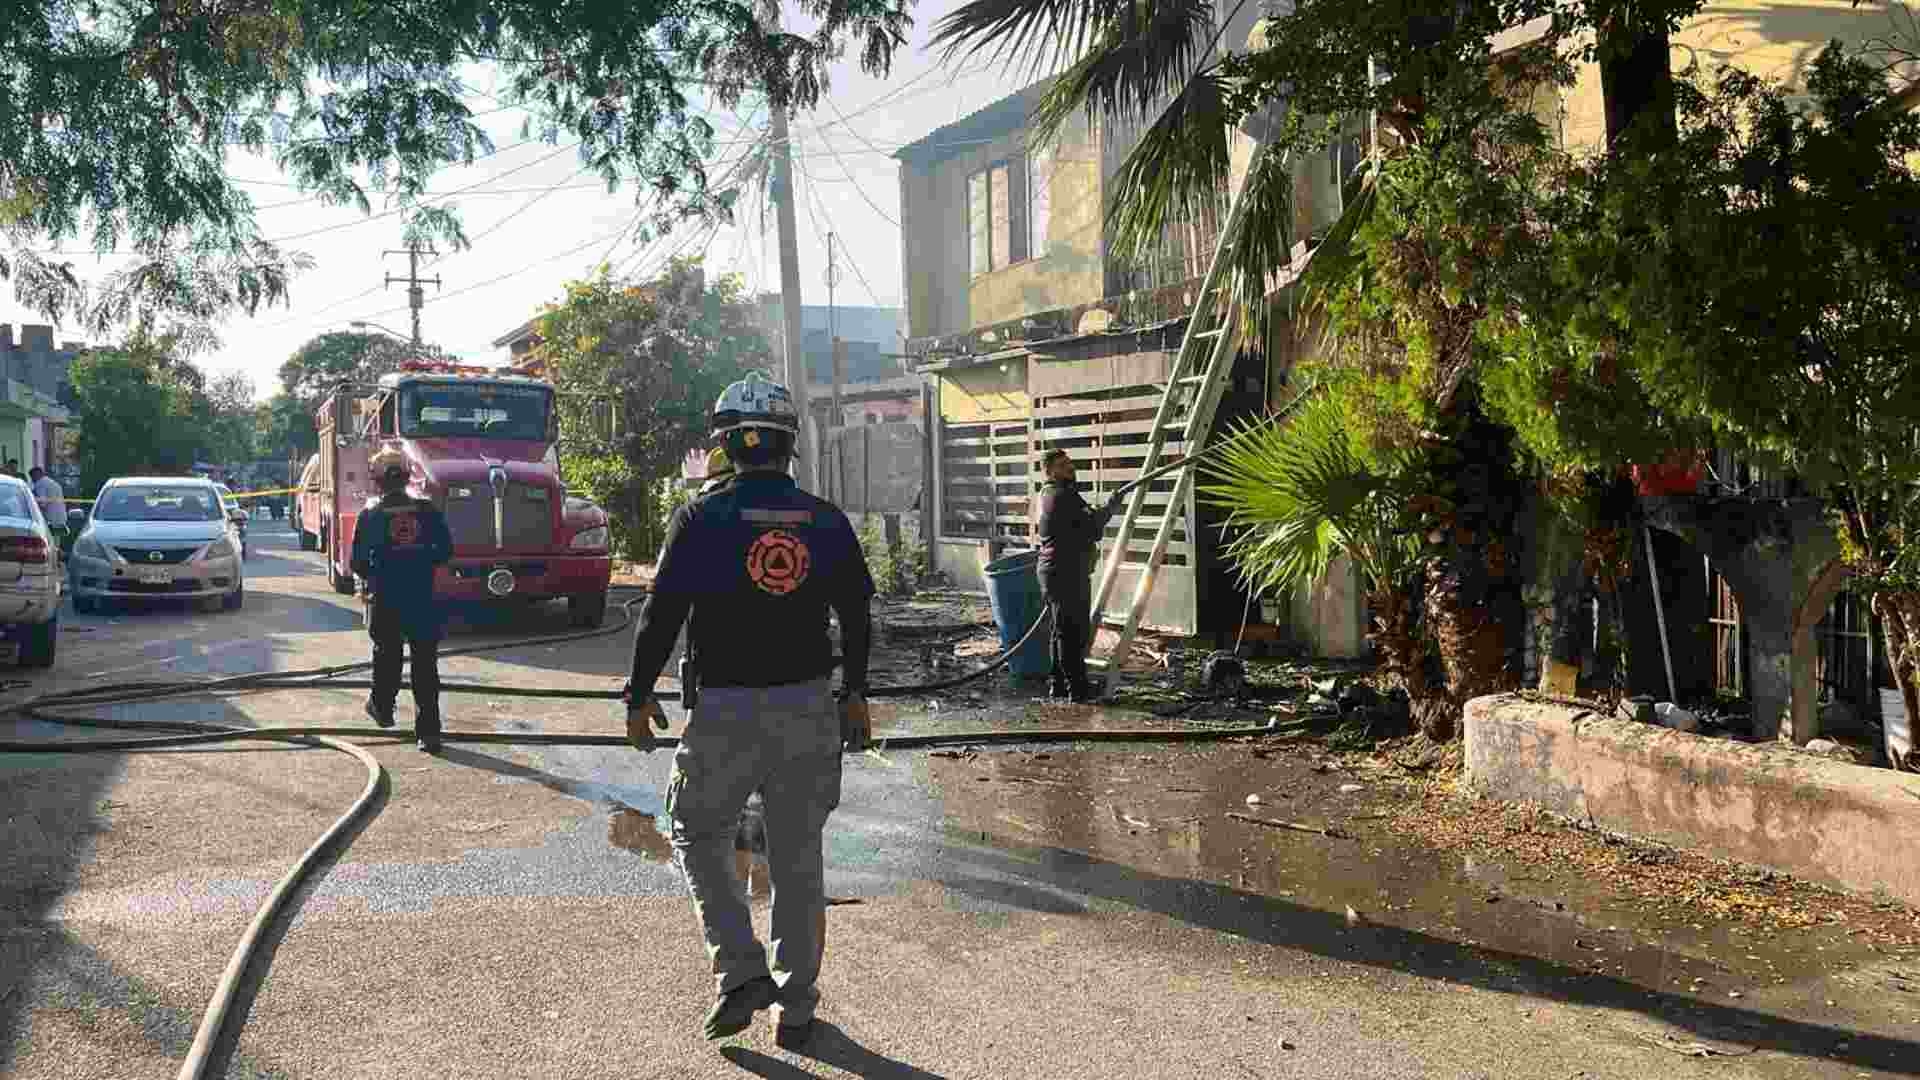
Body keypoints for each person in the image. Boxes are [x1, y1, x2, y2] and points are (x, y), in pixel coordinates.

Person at [623, 371, 874, 1049]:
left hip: (724, 710)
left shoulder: (701, 518)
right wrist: (855, 694)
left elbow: (661, 613)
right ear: (790, 444)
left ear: (727, 445)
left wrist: (638, 694)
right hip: (809, 708)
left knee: (697, 831)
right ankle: (796, 1009)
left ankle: (740, 974)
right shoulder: (824, 520)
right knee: (798, 856)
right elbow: (857, 615)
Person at [350, 448, 453, 752]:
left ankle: (382, 708)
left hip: (386, 598)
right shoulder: (427, 510)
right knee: (425, 665)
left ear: (377, 480)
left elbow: (357, 562)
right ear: (408, 477)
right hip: (423, 597)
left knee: (387, 657)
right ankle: (429, 733)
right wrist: (419, 562)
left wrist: (379, 573)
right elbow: (445, 551)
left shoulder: (370, 514)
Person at [1036, 447, 1126, 703]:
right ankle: (1077, 689)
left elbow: (1085, 522)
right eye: (1063, 465)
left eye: (1069, 463)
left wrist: (1099, 512)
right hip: (1064, 573)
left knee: (1061, 632)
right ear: (1049, 472)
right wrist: (1110, 507)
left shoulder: (1053, 493)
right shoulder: (1061, 495)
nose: (1070, 468)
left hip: (1058, 571)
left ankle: (1060, 685)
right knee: (1072, 633)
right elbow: (1093, 527)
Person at [28, 467, 66, 546]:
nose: (32, 480)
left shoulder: (40, 484)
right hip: (60, 517)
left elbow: (42, 503)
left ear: (36, 475)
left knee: (49, 544)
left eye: (32, 477)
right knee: (56, 543)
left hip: (49, 519)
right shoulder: (53, 483)